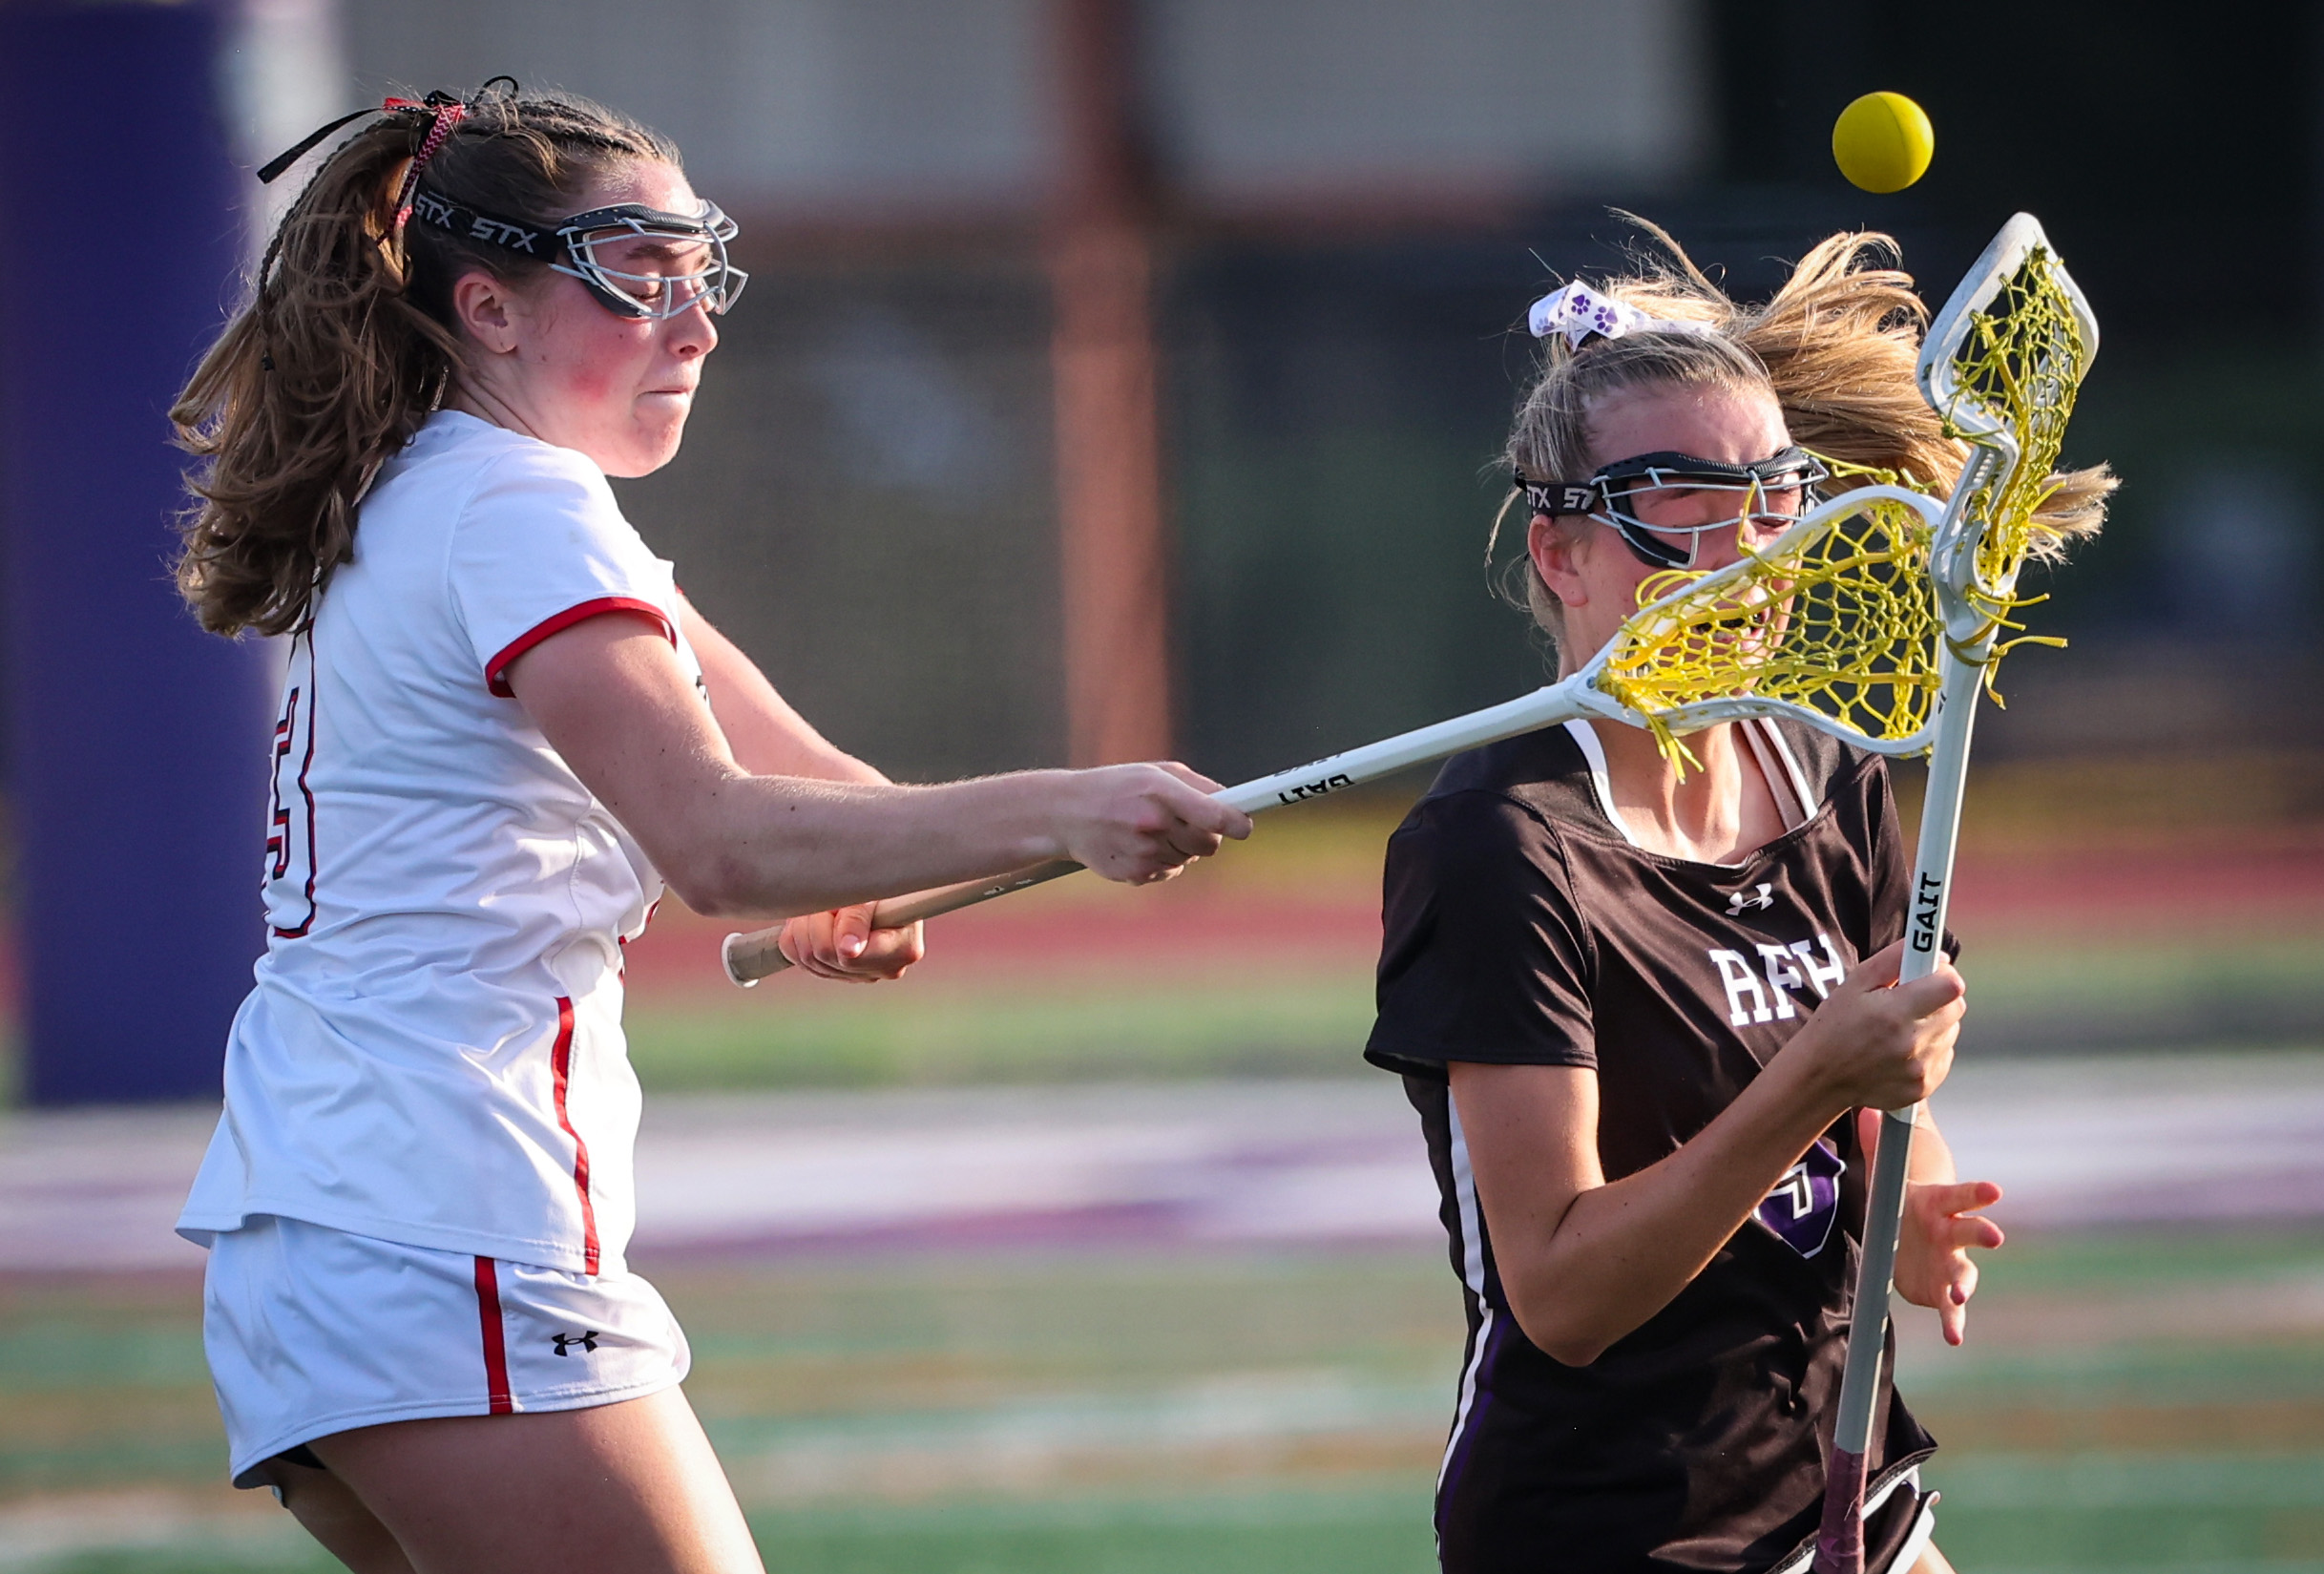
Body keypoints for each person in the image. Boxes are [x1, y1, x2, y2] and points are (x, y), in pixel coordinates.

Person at [168, 83, 1248, 1573]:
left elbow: (811, 786)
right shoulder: (515, 509)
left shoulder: (441, 494)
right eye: (640, 278)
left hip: (332, 1228)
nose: (696, 325)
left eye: (701, 276)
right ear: (486, 306)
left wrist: (925, 856)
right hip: (440, 1219)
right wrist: (1071, 802)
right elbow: (724, 846)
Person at [1363, 227, 2111, 1574]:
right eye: (1674, 499)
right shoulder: (1499, 845)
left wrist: (1915, 1195)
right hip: (1612, 1529)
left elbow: (1896, 1105)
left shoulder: (1835, 773)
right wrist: (1814, 1080)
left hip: (1853, 1502)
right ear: (1560, 554)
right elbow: (1566, 1293)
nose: (1741, 550)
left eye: (1770, 495)